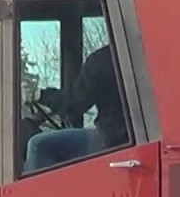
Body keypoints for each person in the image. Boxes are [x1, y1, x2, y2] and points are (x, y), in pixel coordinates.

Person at [23, 43, 128, 173]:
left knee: (37, 146)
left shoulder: (103, 60)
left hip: (111, 141)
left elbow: (74, 102)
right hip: (134, 139)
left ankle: (43, 193)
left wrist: (40, 95)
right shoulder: (151, 51)